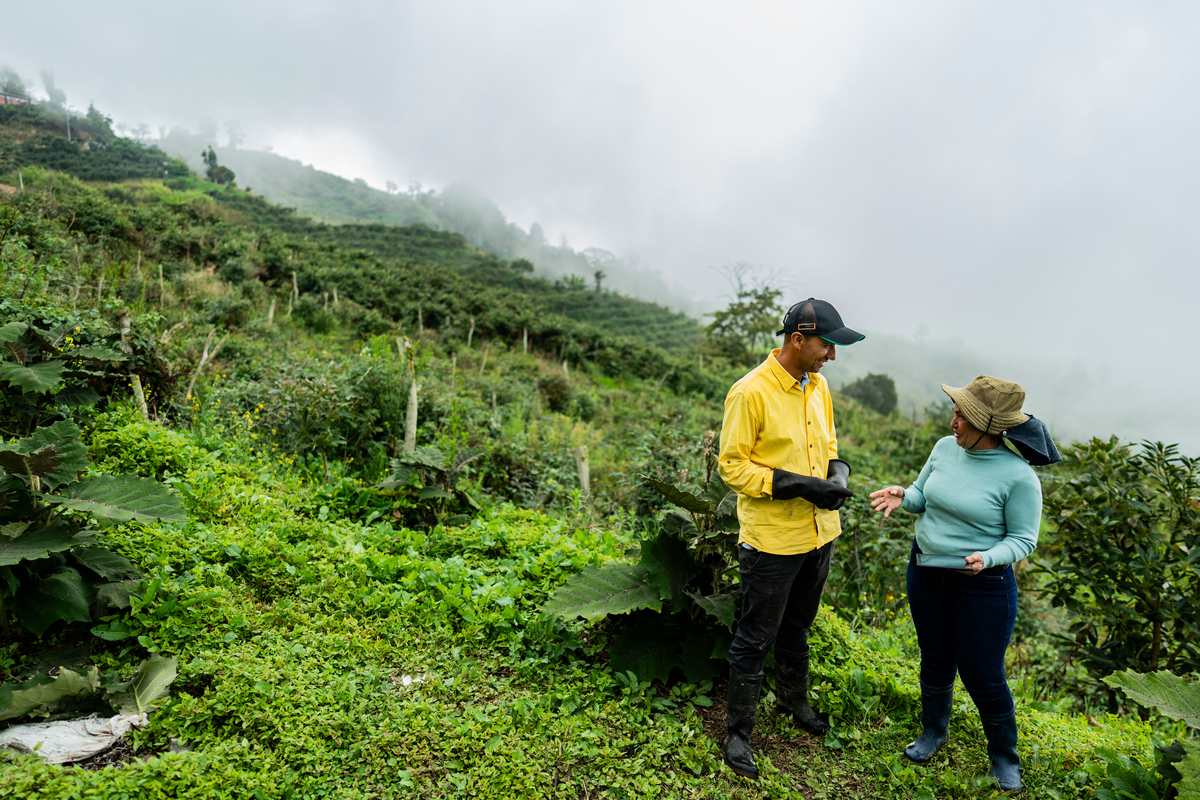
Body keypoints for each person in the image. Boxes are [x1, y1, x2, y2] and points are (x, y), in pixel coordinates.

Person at [868, 375, 1060, 793]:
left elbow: (1024, 539)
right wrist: (905, 495)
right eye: (955, 411)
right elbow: (923, 493)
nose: (952, 421)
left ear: (988, 427)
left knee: (983, 673)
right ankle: (933, 732)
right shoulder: (943, 448)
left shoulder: (1019, 477)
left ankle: (1004, 756)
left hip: (983, 588)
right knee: (935, 658)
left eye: (961, 416)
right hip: (925, 572)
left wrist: (988, 558)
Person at [717, 298, 864, 779]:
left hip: (820, 535)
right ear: (797, 339)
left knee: (799, 624)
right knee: (755, 636)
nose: (832, 356)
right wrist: (801, 485)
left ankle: (793, 703)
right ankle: (738, 733)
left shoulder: (817, 388)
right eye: (827, 345)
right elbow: (733, 466)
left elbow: (831, 447)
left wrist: (836, 478)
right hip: (773, 540)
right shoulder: (750, 392)